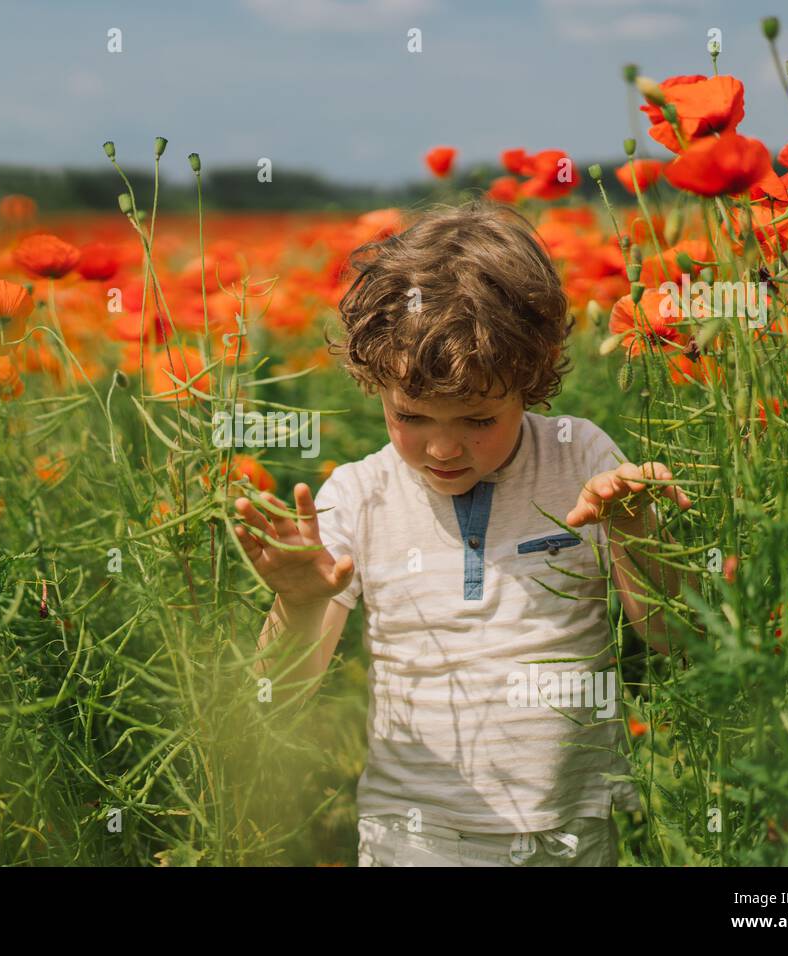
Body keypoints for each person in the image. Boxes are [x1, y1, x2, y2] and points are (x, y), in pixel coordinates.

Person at [232, 197, 696, 867]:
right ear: (377, 386)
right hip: (412, 840)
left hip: (570, 833)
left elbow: (669, 634)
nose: (442, 449)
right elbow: (275, 696)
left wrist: (634, 532)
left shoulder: (580, 457)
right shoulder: (361, 495)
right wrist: (300, 603)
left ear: (532, 382)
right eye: (411, 416)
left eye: (478, 420)